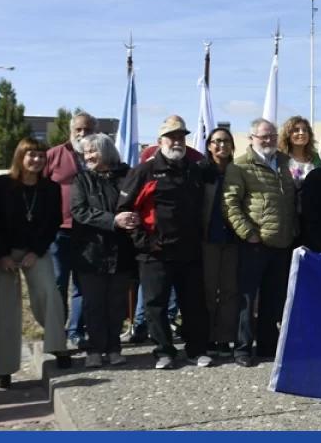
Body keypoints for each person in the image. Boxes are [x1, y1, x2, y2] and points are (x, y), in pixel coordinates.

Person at [117, 115, 211, 370]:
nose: (177, 141)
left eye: (181, 137)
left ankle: (196, 350)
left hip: (189, 251)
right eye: (171, 137)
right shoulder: (143, 172)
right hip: (154, 253)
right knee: (155, 305)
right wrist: (144, 243)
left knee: (193, 304)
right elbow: (125, 211)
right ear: (160, 141)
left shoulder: (194, 170)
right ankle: (163, 352)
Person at [0, 137, 68, 387]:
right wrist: (1, 255)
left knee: (48, 293)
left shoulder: (50, 188)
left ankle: (58, 346)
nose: (37, 160)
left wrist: (36, 251)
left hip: (35, 251)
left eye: (41, 156)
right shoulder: (1, 184)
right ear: (20, 156)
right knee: (2, 307)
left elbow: (53, 222)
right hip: (3, 253)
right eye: (31, 154)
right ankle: (2, 366)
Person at [223, 117, 299, 367]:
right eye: (264, 136)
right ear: (252, 138)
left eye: (272, 136)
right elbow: (230, 204)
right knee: (247, 299)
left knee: (273, 297)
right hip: (254, 243)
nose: (268, 140)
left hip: (282, 242)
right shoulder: (240, 166)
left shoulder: (285, 162)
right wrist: (248, 233)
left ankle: (267, 344)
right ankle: (243, 348)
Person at [70, 133, 136, 368]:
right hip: (91, 252)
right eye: (85, 152)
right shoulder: (82, 179)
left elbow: (137, 203)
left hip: (121, 251)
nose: (87, 156)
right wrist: (112, 220)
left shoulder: (127, 176)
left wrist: (133, 218)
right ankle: (95, 349)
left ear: (106, 151)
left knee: (116, 304)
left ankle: (114, 347)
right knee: (94, 304)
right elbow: (79, 210)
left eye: (92, 151)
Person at [44, 111, 96, 349]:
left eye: (88, 129)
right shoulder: (54, 155)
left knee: (83, 285)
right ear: (71, 130)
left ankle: (76, 332)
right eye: (78, 129)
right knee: (58, 284)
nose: (83, 134)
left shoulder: (98, 155)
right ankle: (57, 333)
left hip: (87, 232)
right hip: (58, 232)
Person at [200, 128, 240, 358]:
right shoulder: (201, 171)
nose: (221, 145)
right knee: (207, 290)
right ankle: (207, 337)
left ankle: (225, 338)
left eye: (226, 141)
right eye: (217, 141)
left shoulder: (239, 171)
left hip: (233, 240)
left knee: (229, 291)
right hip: (208, 240)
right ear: (209, 146)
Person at [279, 115, 317, 187]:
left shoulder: (316, 159)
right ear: (288, 135)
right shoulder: (279, 159)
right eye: (296, 130)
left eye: (305, 130)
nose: (301, 133)